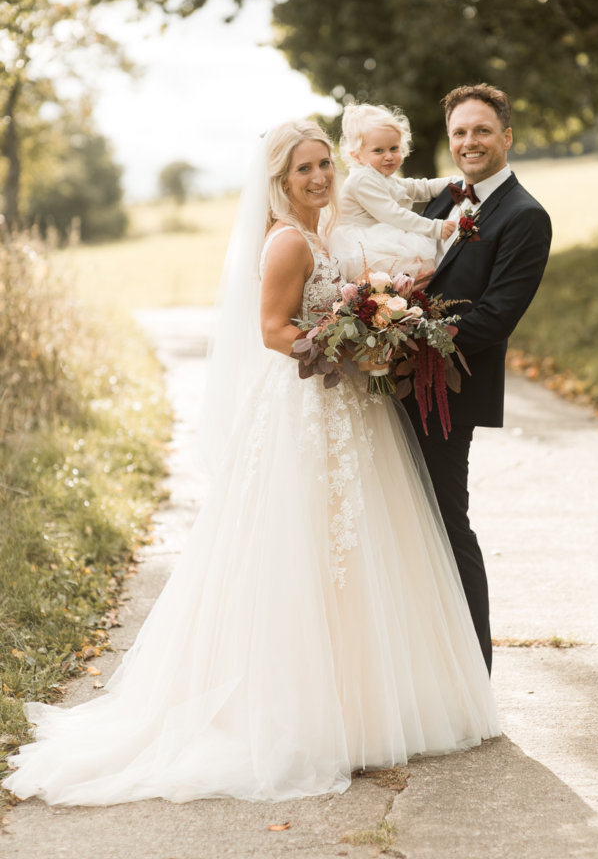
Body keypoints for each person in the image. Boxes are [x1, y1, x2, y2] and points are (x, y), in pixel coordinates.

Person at [4, 120, 499, 807]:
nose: (321, 177)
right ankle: (300, 711)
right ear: (279, 181)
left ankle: (363, 706)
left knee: (360, 551)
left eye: (326, 163)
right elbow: (272, 331)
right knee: (304, 550)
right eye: (305, 170)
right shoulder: (289, 240)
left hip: (349, 404)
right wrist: (350, 344)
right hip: (306, 408)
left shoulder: (324, 233)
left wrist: (377, 325)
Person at [403, 85, 552, 674]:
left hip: (449, 394)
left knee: (446, 521)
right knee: (402, 519)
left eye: (482, 131)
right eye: (460, 132)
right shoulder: (440, 204)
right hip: (397, 387)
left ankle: (470, 672)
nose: (469, 142)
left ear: (506, 138)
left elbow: (493, 317)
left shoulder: (524, 216)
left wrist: (402, 339)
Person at [329, 103, 457, 280]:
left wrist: (453, 181)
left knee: (418, 261)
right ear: (357, 155)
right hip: (362, 242)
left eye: (394, 148)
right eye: (378, 150)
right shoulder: (362, 180)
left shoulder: (381, 176)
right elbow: (393, 214)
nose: (388, 156)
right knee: (408, 265)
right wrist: (434, 227)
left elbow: (418, 187)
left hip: (378, 233)